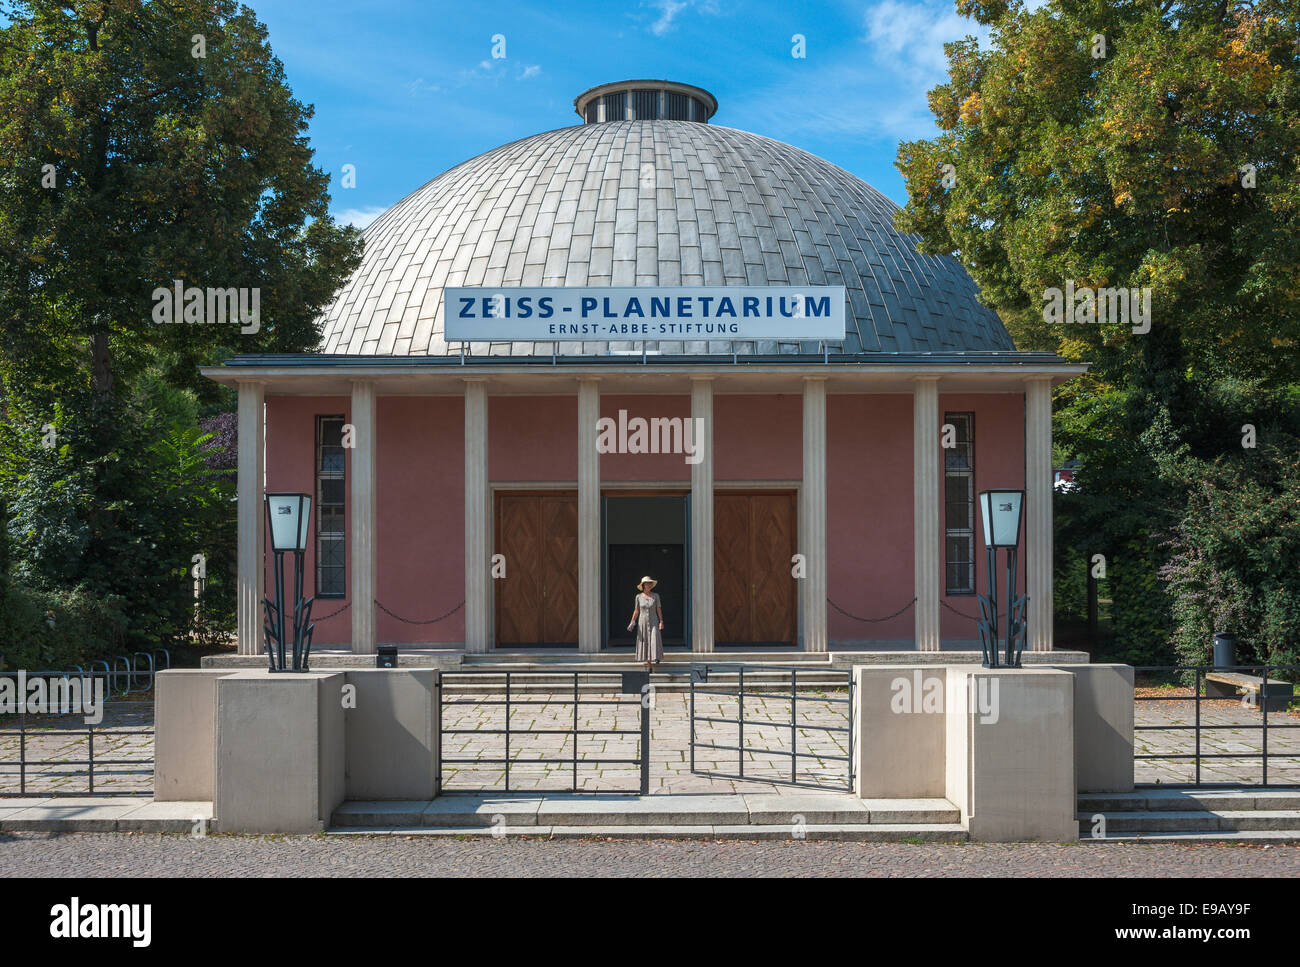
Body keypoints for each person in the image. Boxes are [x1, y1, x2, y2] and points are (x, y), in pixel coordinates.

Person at [627, 576, 664, 668]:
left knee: (654, 638)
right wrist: (632, 622)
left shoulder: (656, 596)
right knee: (645, 641)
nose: (649, 585)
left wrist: (661, 621)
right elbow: (636, 610)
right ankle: (649, 664)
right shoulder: (638, 597)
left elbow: (658, 609)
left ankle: (656, 656)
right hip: (642, 622)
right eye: (647, 584)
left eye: (650, 583)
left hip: (654, 620)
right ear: (643, 585)